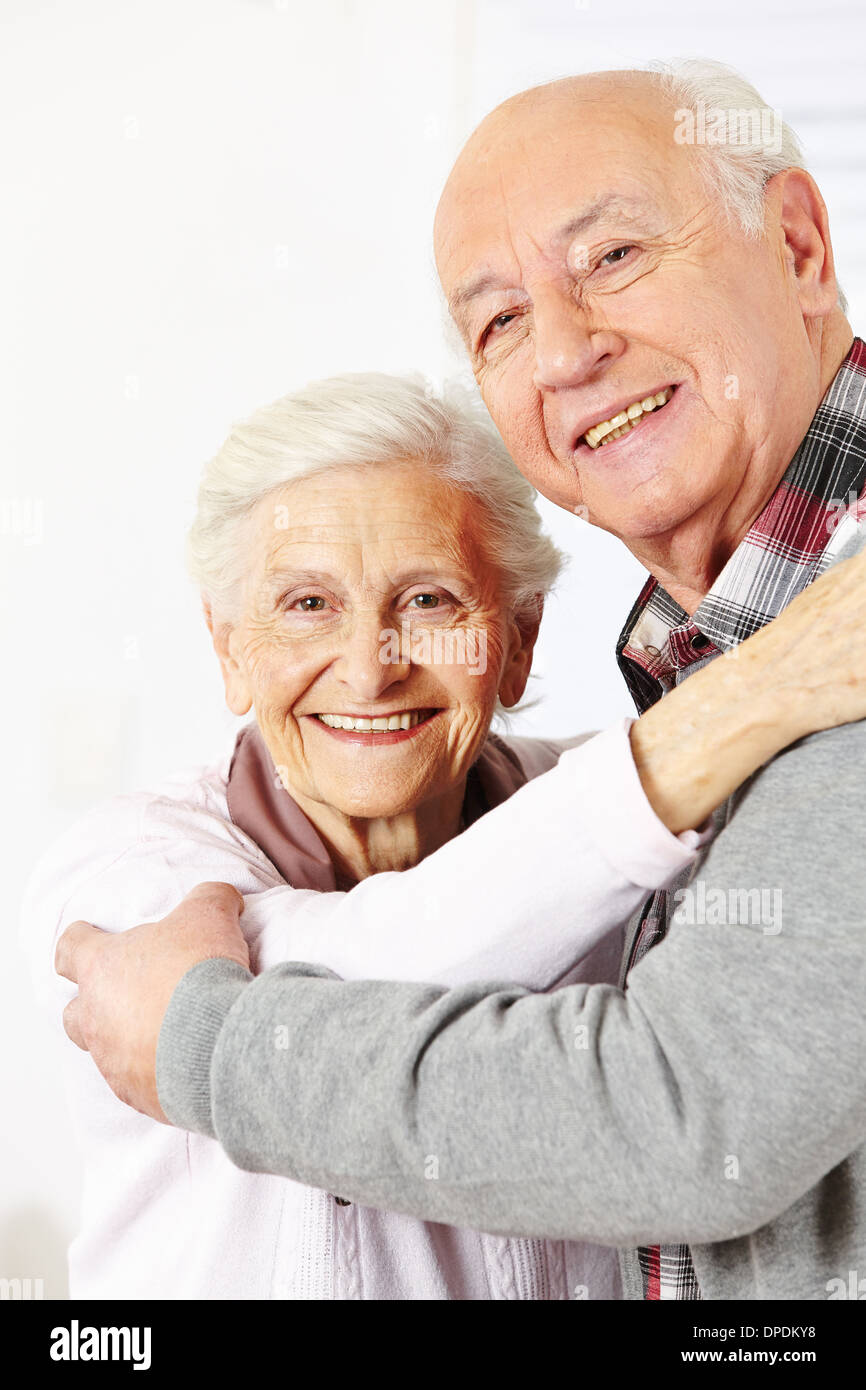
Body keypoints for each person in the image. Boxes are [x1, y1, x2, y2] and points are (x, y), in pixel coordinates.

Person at [52, 60, 866, 1300]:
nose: (566, 351)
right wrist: (731, 709)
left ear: (799, 245)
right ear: (226, 647)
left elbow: (681, 1115)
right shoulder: (724, 687)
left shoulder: (824, 633)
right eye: (498, 321)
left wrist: (200, 1034)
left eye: (612, 256)